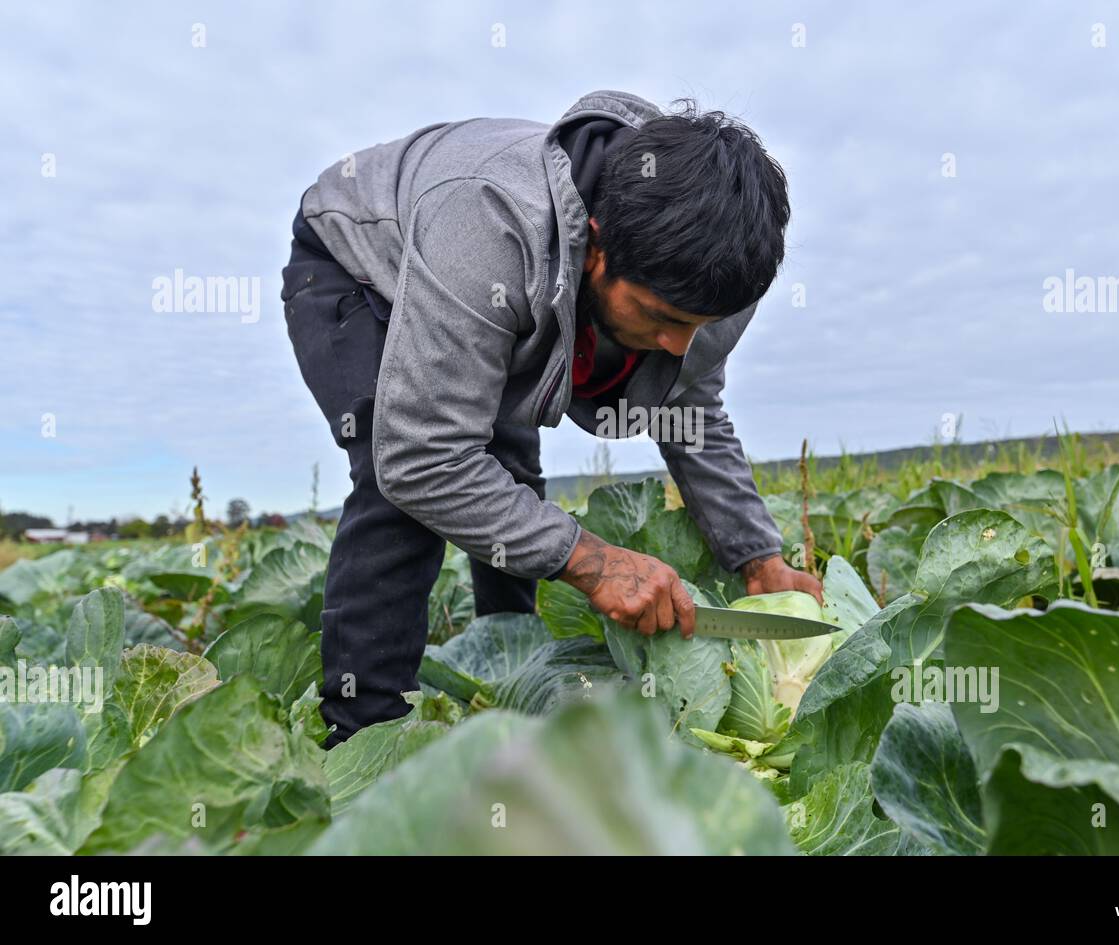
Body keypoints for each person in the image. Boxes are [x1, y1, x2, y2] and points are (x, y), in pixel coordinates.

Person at [280, 89, 822, 748]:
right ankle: (363, 739)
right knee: (403, 488)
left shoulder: (715, 267)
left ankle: (508, 665)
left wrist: (758, 557)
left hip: (497, 296)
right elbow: (422, 461)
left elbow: (692, 408)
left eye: (699, 326)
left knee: (508, 471)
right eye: (661, 319)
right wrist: (592, 562)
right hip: (361, 269)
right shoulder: (489, 226)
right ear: (597, 247)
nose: (681, 346)